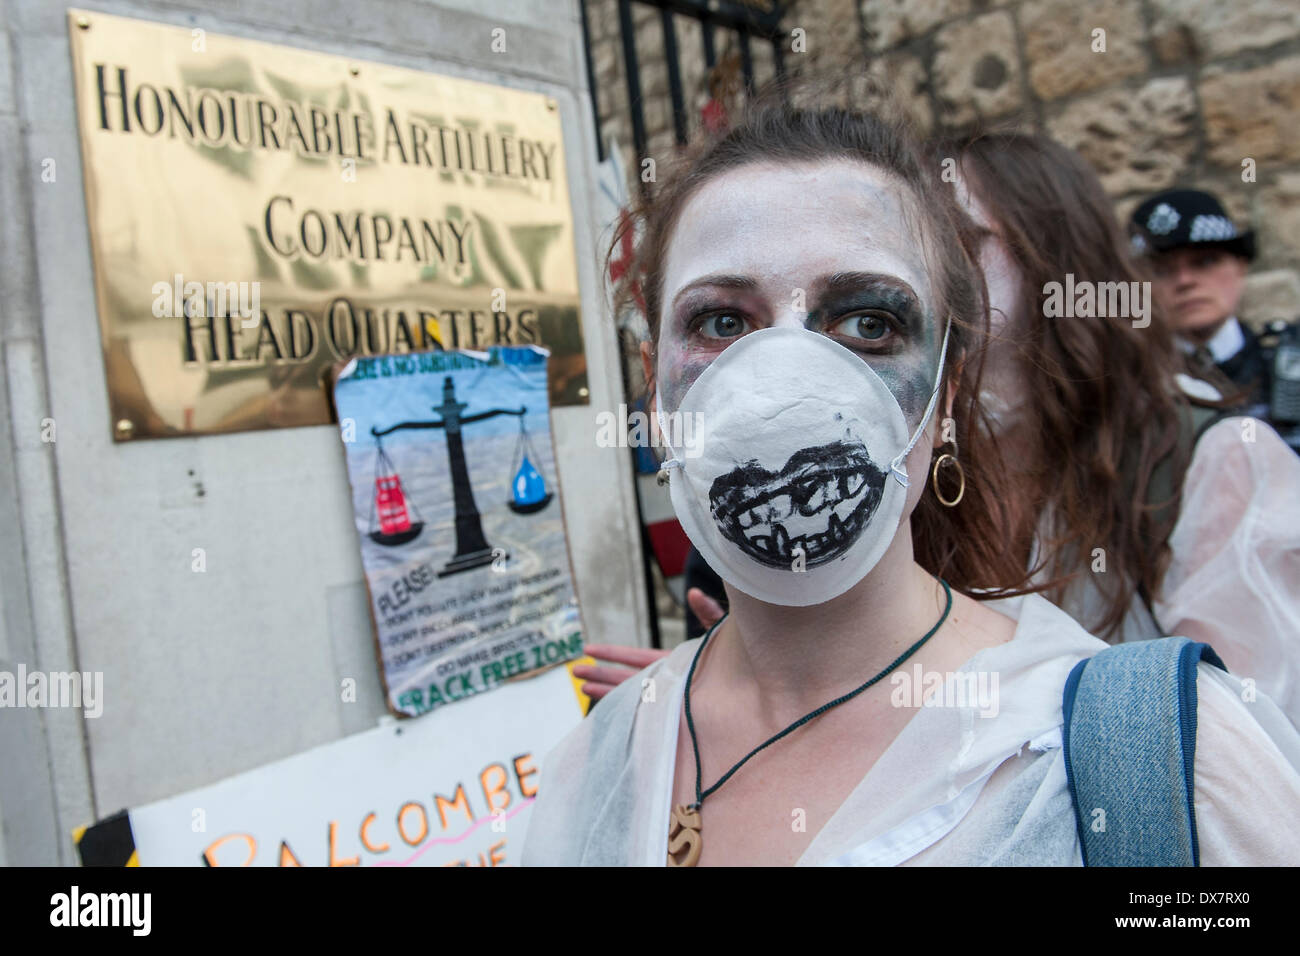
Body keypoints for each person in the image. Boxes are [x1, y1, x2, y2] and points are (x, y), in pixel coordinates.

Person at [524, 94, 1300, 866]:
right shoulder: (595, 769)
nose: (784, 377)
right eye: (722, 322)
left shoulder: (1162, 761)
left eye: (867, 322)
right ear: (652, 386)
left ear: (947, 395)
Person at [952, 134, 1300, 726]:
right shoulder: (908, 462)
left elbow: (1250, 745)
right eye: (1165, 268)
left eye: (962, 240)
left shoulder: (1202, 447)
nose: (927, 267)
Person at [1128, 188, 1300, 451]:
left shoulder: (1289, 367)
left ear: (1240, 266)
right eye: (1159, 270)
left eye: (1205, 261)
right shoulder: (1129, 385)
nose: (1185, 281)